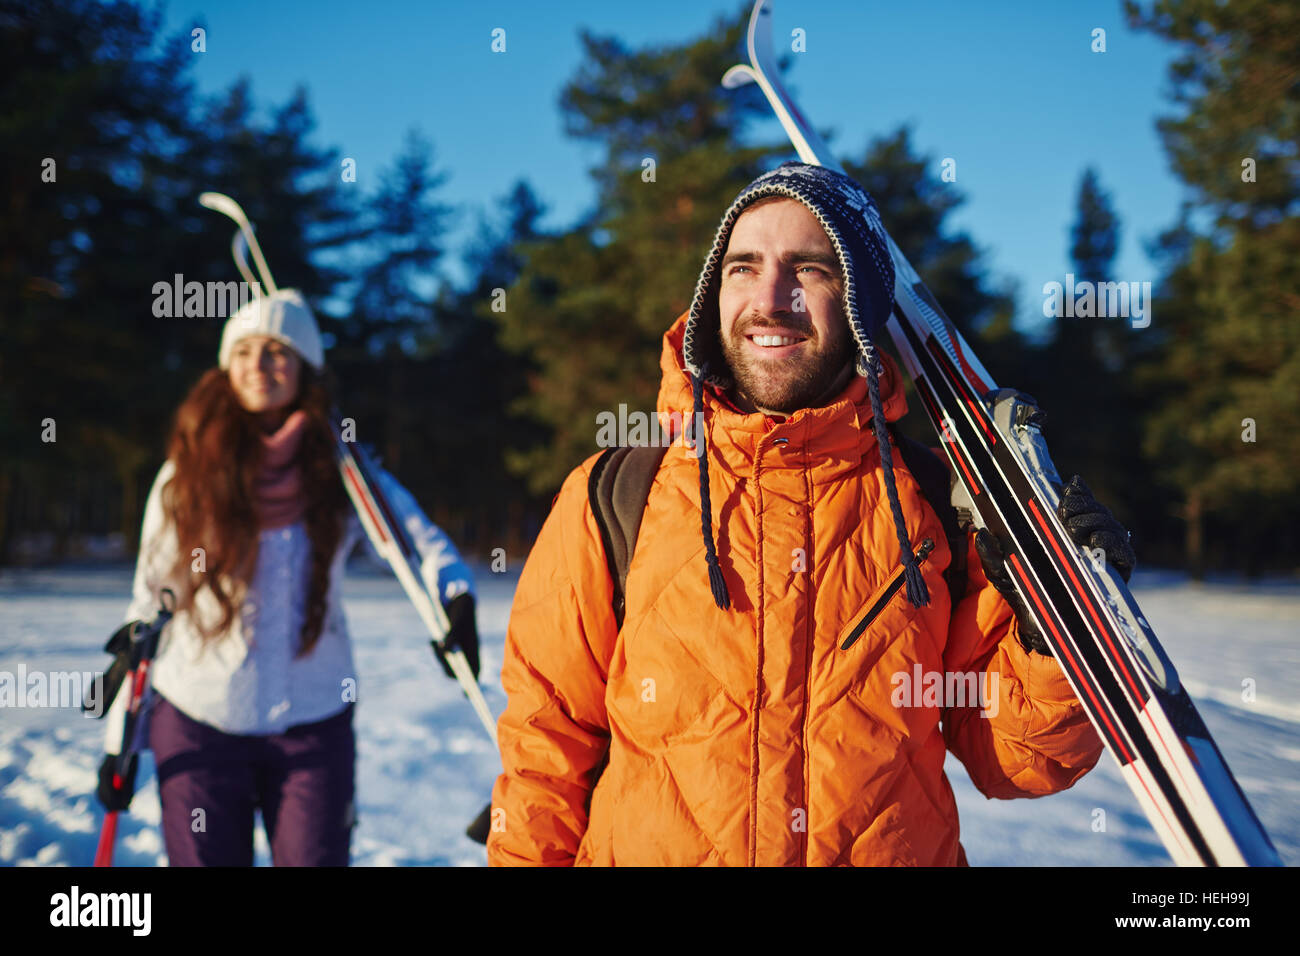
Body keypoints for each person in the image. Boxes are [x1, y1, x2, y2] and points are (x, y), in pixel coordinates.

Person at [487, 162, 1135, 866]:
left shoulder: (937, 503)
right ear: (713, 293)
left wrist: (1057, 638)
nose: (770, 298)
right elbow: (543, 753)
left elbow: (1017, 760)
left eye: (810, 270)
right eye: (744, 266)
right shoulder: (616, 493)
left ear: (858, 300)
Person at [99, 289, 480, 866]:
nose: (260, 365)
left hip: (314, 719)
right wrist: (116, 746)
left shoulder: (344, 468)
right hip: (201, 716)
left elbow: (421, 545)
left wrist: (456, 599)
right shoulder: (188, 473)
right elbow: (151, 601)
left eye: (279, 351)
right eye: (246, 350)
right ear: (227, 365)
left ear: (305, 367)